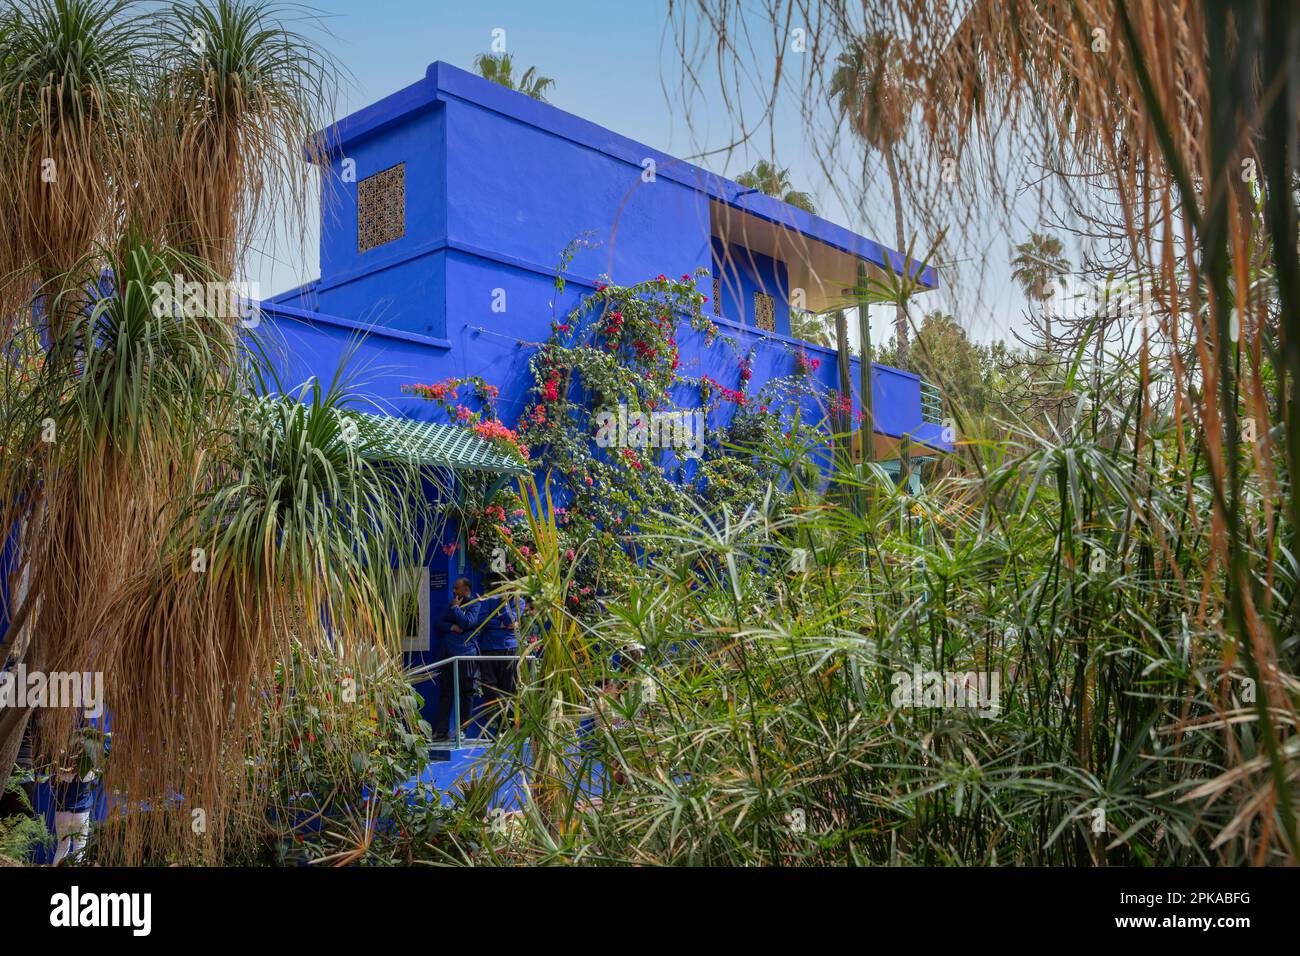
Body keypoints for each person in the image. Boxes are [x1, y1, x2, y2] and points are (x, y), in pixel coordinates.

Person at [432, 577, 479, 741]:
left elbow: (467, 623)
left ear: (466, 590)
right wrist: (451, 626)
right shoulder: (453, 604)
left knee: (466, 693)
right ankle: (442, 730)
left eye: (457, 588)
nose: (454, 591)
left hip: (466, 654)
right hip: (448, 655)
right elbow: (439, 623)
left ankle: (462, 731)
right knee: (446, 692)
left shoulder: (474, 604)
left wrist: (457, 610)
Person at [474, 582, 520, 733]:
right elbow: (482, 621)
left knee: (509, 687)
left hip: (509, 648)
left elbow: (510, 621)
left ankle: (506, 727)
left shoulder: (519, 601)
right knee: (489, 685)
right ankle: (501, 719)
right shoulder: (488, 599)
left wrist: (504, 604)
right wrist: (501, 625)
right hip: (489, 647)